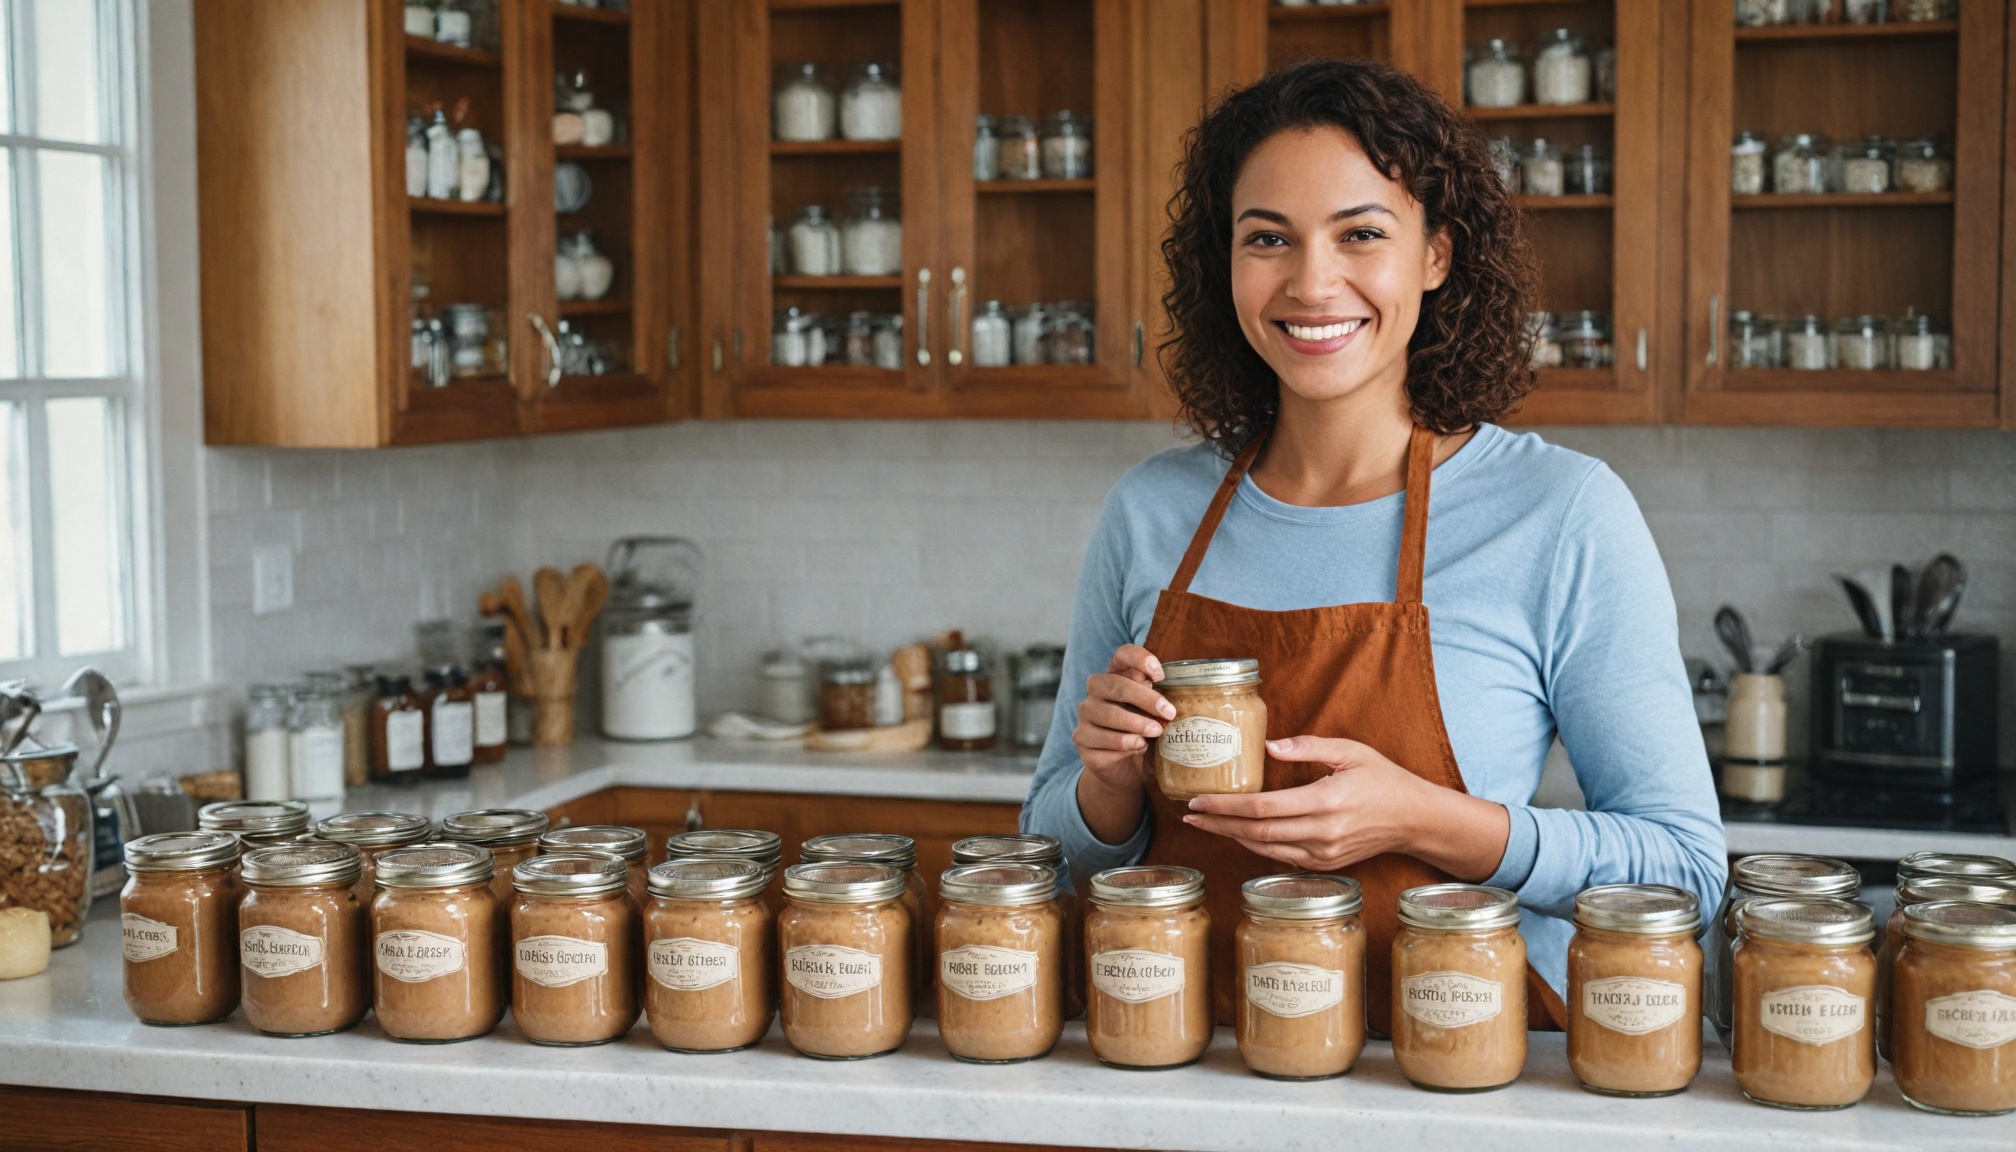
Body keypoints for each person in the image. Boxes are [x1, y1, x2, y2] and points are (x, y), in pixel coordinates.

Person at [1020, 58, 1725, 1031]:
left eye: (1361, 234)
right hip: (1188, 1063)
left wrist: (1428, 820)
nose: (1313, 282)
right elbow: (1048, 856)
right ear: (1222, 263)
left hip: (1451, 1081)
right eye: (1268, 238)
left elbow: (1688, 873)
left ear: (1436, 254)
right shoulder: (1150, 512)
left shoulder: (1562, 514)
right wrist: (1107, 787)